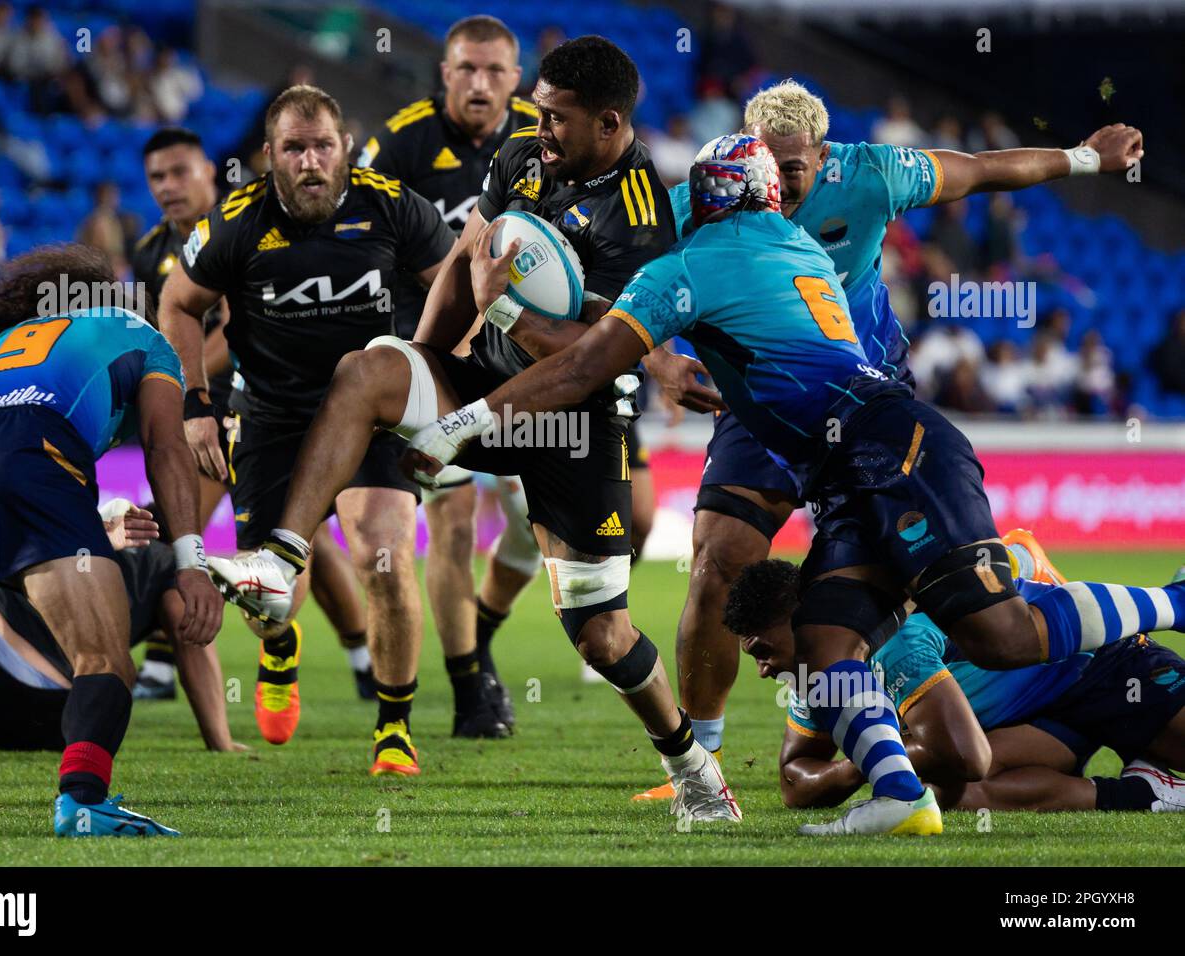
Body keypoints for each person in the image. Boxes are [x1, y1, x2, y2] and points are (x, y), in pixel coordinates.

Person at [402, 134, 1154, 834]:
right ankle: (897, 795)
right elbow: (973, 172)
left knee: (1000, 636)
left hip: (887, 452)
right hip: (853, 460)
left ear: (700, 202)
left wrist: (461, 404)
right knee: (826, 644)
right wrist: (1082, 158)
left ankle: (1174, 599)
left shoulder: (692, 265)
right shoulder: (803, 244)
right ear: (769, 195)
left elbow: (580, 366)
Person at [207, 38, 741, 822]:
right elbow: (465, 257)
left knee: (599, 633)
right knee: (368, 369)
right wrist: (420, 360)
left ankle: (693, 768)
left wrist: (497, 332)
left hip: (572, 423)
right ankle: (281, 564)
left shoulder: (637, 221)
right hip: (489, 377)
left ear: (610, 122)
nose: (539, 127)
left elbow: (589, 364)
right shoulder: (526, 157)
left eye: (557, 118)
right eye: (541, 111)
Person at [633, 80, 1144, 802]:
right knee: (719, 558)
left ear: (824, 153)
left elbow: (981, 170)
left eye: (791, 170)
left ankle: (940, 716)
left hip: (865, 399)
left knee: (918, 593)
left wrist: (1085, 160)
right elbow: (616, 291)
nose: (771, 187)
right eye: (761, 169)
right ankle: (700, 768)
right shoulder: (708, 203)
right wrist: (658, 360)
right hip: (759, 399)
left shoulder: (872, 174)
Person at [0, 243, 223, 836]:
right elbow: (166, 447)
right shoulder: (142, 335)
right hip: (33, 452)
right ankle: (83, 800)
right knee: (104, 656)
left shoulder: (10, 340)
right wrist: (192, 559)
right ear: (108, 294)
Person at [157, 86, 455, 748]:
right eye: (294, 148)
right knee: (268, 603)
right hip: (272, 419)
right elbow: (178, 305)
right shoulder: (234, 222)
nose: (311, 161)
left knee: (382, 556)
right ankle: (279, 646)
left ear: (345, 147)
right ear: (269, 156)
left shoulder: (396, 208)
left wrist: (448, 401)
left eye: (323, 145)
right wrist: (195, 407)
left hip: (374, 416)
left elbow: (458, 292)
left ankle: (394, 729)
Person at [357, 14, 538, 733]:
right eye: (466, 68)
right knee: (455, 522)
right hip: (435, 354)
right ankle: (471, 687)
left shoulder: (541, 134)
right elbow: (363, 241)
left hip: (532, 352)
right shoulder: (398, 143)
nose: (480, 84)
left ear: (515, 79)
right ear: (445, 73)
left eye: (495, 71)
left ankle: (482, 632)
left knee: (540, 525)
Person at [726, 534, 1185, 815]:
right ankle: (1145, 792)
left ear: (801, 620)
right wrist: (861, 764)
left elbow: (968, 754)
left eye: (764, 652)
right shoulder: (817, 670)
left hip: (1106, 668)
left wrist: (876, 759)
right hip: (1038, 722)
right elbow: (793, 781)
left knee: (948, 766)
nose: (765, 671)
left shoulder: (898, 640)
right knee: (944, 791)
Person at [0, 472, 242, 752]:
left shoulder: (77, 525)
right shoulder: (166, 565)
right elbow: (191, 639)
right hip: (38, 697)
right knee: (79, 717)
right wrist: (219, 738)